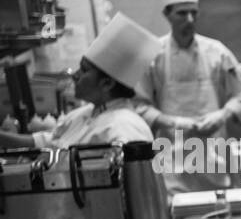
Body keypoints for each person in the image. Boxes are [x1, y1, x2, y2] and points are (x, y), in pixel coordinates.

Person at [135, 0, 241, 191]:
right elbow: (139, 105)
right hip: (171, 153)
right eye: (182, 13)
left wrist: (222, 115)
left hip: (212, 152)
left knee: (219, 210)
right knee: (178, 214)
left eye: (194, 12)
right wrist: (174, 122)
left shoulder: (217, 52)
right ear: (167, 15)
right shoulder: (153, 54)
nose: (189, 19)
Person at [0, 13, 157, 150]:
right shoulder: (82, 114)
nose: (75, 75)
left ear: (107, 83)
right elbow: (50, 142)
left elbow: (130, 180)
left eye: (84, 70)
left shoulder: (126, 128)